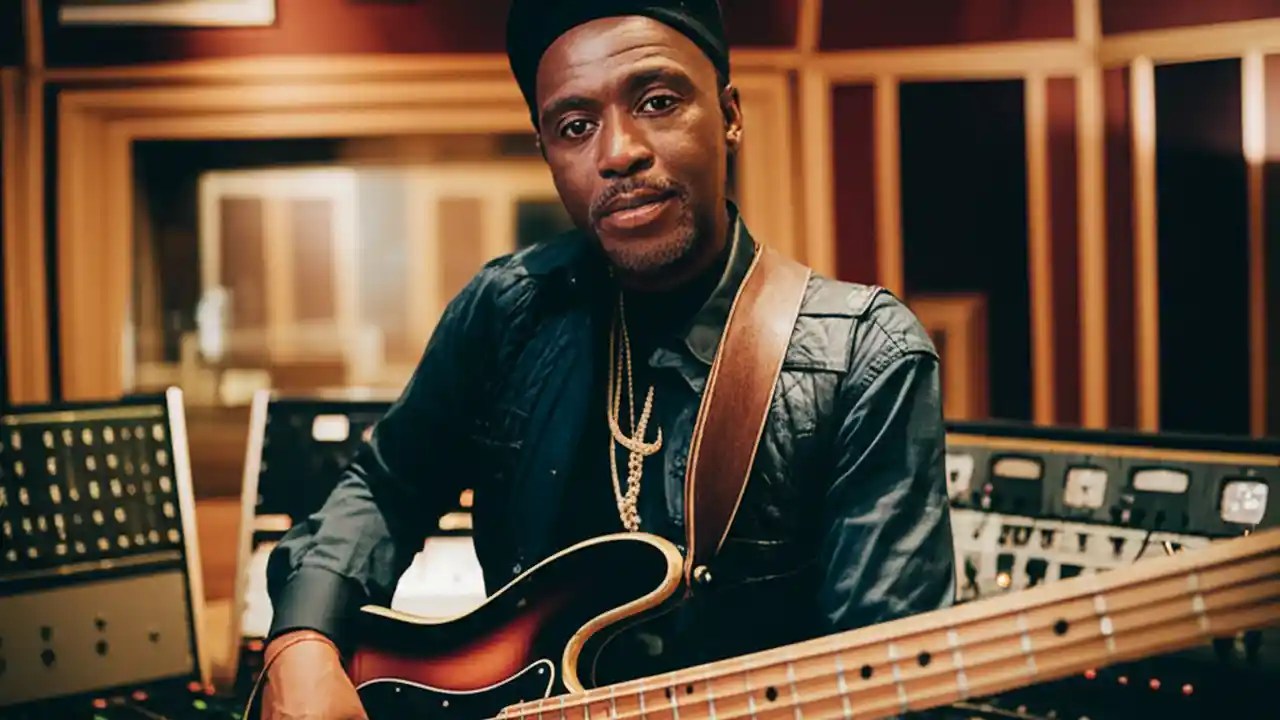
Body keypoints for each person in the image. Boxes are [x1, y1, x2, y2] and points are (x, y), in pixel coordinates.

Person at [257, 1, 956, 718]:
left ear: (730, 115)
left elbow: (892, 682)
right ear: (547, 151)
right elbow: (385, 485)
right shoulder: (509, 310)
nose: (617, 150)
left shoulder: (863, 357)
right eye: (575, 126)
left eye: (657, 101)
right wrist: (303, 643)